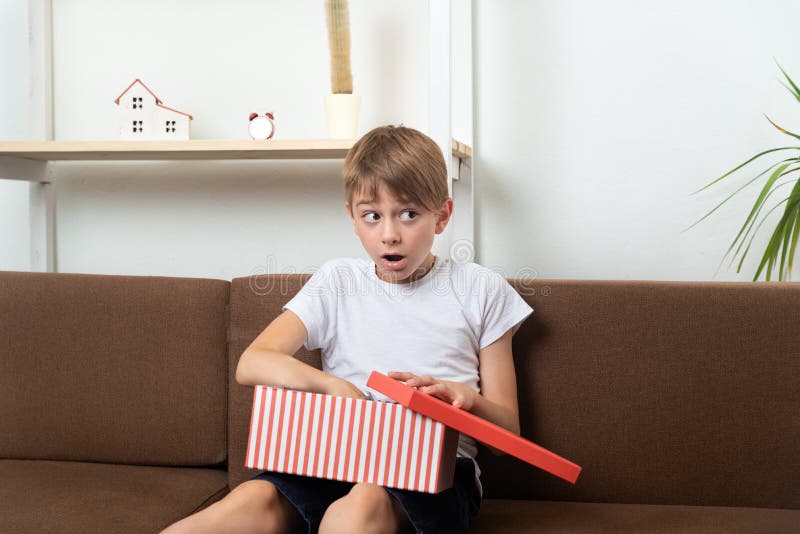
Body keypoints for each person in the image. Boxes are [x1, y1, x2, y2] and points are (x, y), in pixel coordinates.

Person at [160, 125, 533, 534]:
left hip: (434, 469)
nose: (389, 234)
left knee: (364, 502)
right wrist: (331, 387)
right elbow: (252, 363)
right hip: (338, 455)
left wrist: (464, 399)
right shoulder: (337, 281)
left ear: (442, 216)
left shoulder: (481, 289)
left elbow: (506, 435)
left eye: (408, 214)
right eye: (371, 216)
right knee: (252, 499)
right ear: (352, 218)